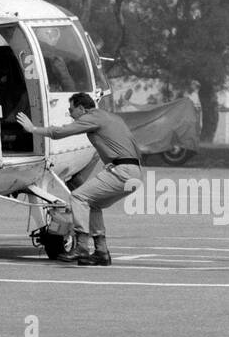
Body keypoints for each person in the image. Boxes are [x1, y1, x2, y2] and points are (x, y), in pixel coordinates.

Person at [16, 92, 142, 266]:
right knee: (93, 204)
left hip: (122, 171)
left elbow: (62, 132)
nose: (70, 114)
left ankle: (82, 246)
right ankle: (101, 252)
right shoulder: (111, 118)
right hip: (134, 173)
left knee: (78, 196)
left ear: (82, 108)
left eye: (71, 109)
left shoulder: (93, 117)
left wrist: (33, 129)